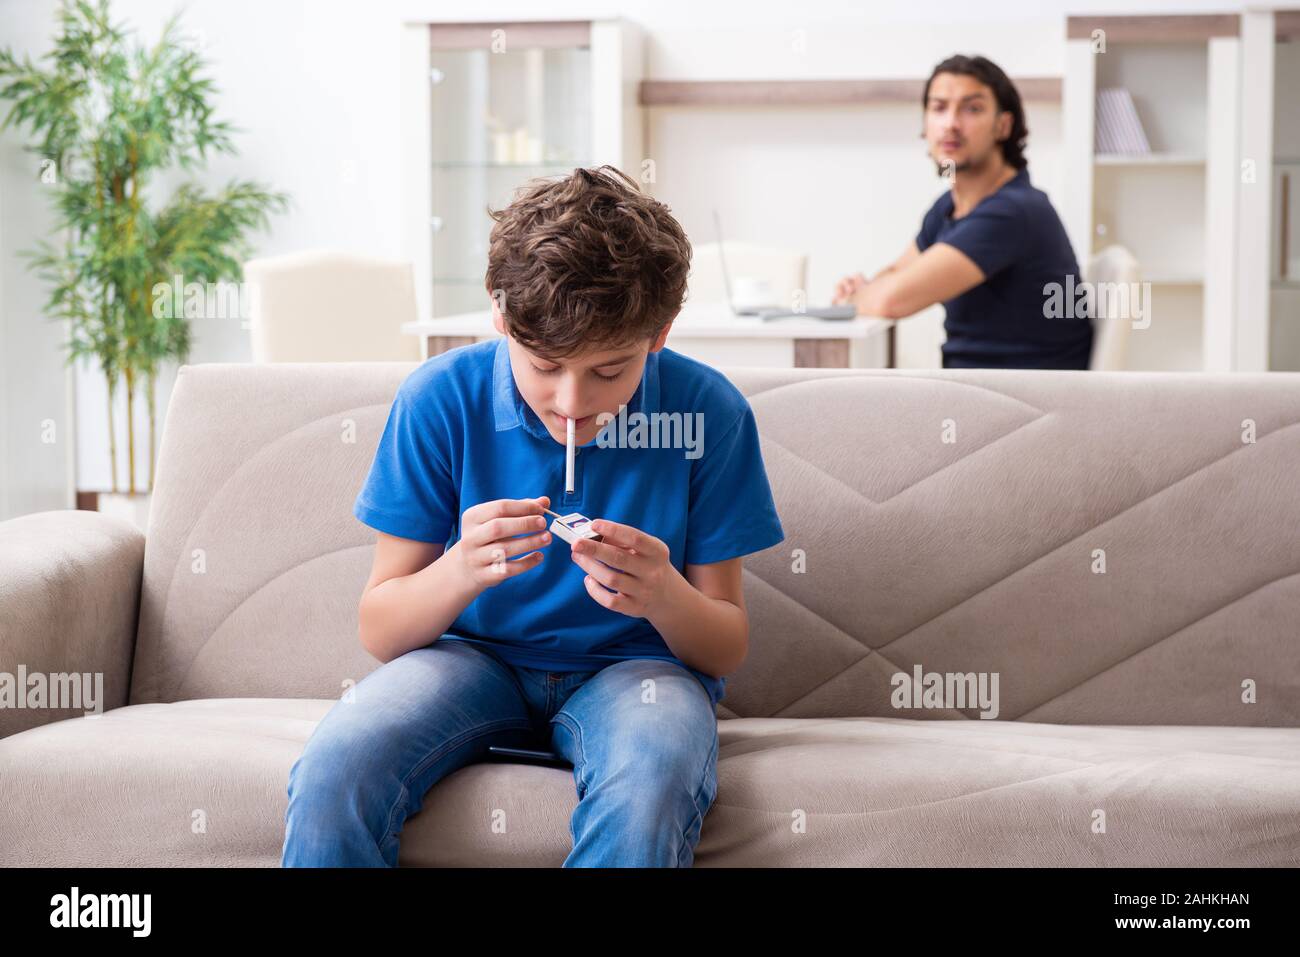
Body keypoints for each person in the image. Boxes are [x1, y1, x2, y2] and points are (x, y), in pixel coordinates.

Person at [281, 166, 785, 867]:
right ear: (499, 314)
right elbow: (381, 624)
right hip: (468, 659)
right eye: (544, 363)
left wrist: (663, 594)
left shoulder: (710, 413)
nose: (573, 402)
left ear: (660, 333)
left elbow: (725, 645)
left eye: (609, 371)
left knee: (650, 781)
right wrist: (460, 570)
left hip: (640, 668)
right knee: (339, 765)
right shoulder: (439, 400)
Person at [833, 54, 1094, 369]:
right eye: (939, 108)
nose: (951, 124)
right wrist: (866, 292)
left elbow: (891, 300)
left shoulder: (1013, 212)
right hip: (980, 393)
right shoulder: (949, 207)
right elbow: (895, 276)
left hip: (1024, 402)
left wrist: (856, 298)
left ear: (1003, 125)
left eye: (972, 109)